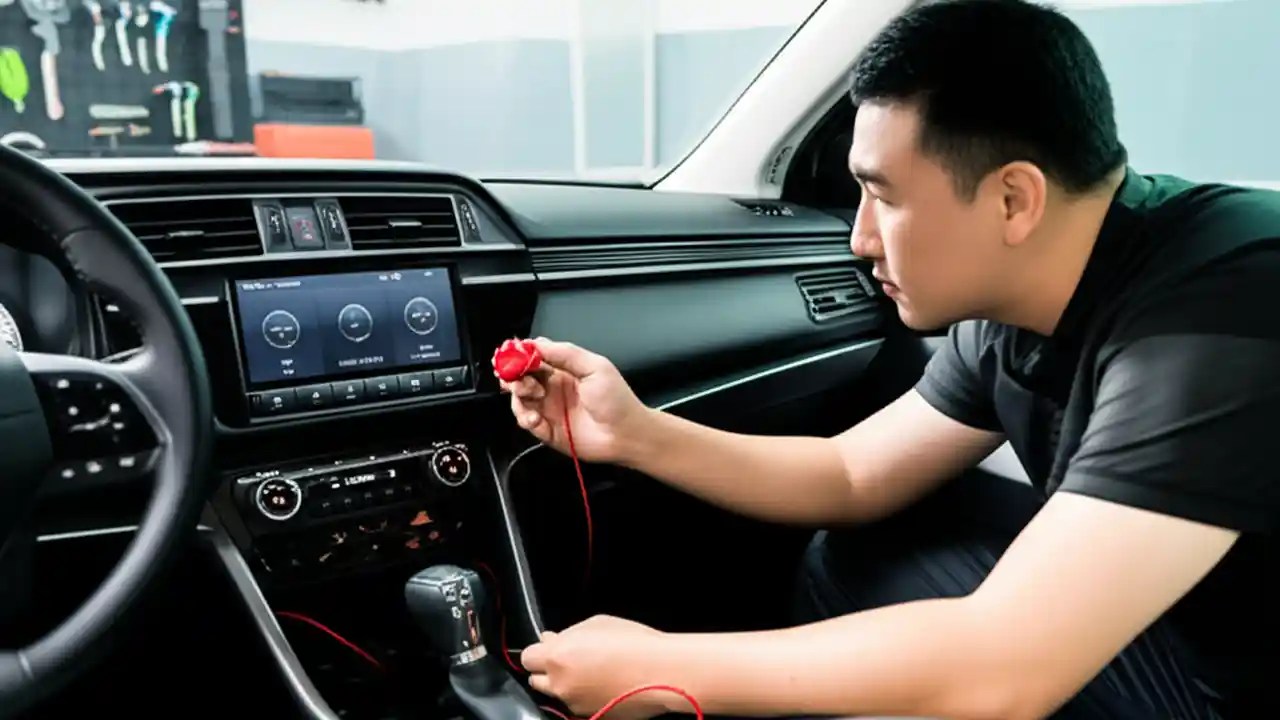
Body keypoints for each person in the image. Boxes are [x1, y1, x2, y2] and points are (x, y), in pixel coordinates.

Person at [502, 1, 1280, 718]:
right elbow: (852, 474)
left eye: (885, 196)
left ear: (1015, 200)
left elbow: (1006, 671)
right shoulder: (1027, 298)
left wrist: (663, 670)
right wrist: (636, 435)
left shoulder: (1225, 307)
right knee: (856, 557)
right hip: (1190, 644)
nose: (859, 237)